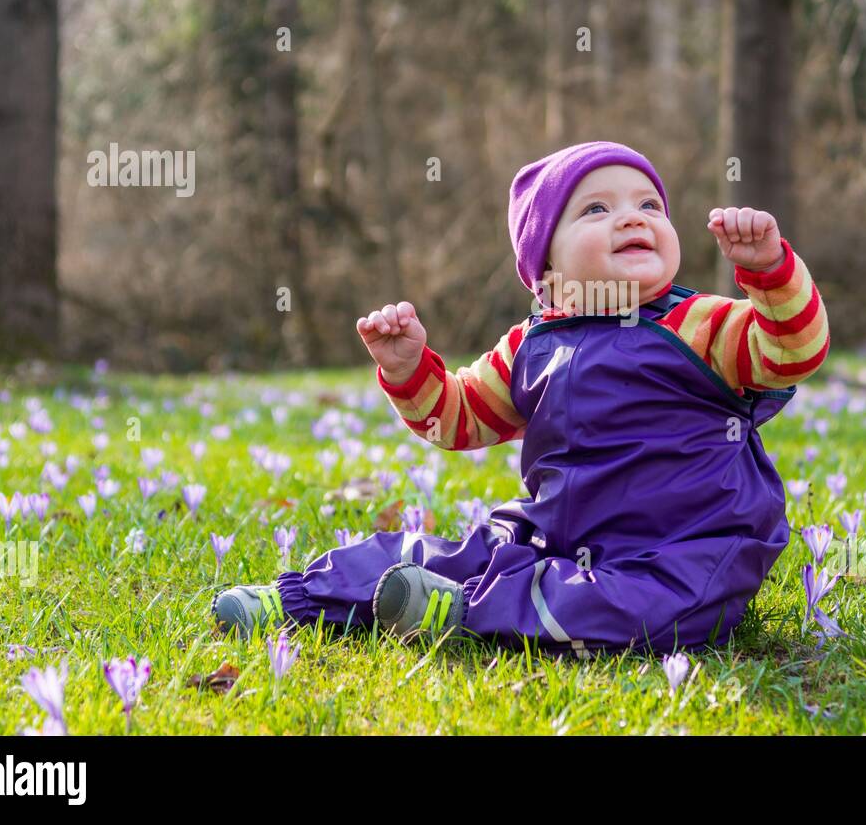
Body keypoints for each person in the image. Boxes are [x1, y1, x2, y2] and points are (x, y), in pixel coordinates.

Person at [211, 140, 830, 657]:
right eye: (596, 209)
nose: (634, 217)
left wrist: (770, 272)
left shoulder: (701, 324)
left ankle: (461, 612)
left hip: (681, 552)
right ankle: (300, 598)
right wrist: (407, 369)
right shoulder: (530, 344)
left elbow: (792, 350)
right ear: (547, 268)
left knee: (642, 613)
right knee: (442, 550)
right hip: (555, 535)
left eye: (648, 205)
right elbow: (456, 419)